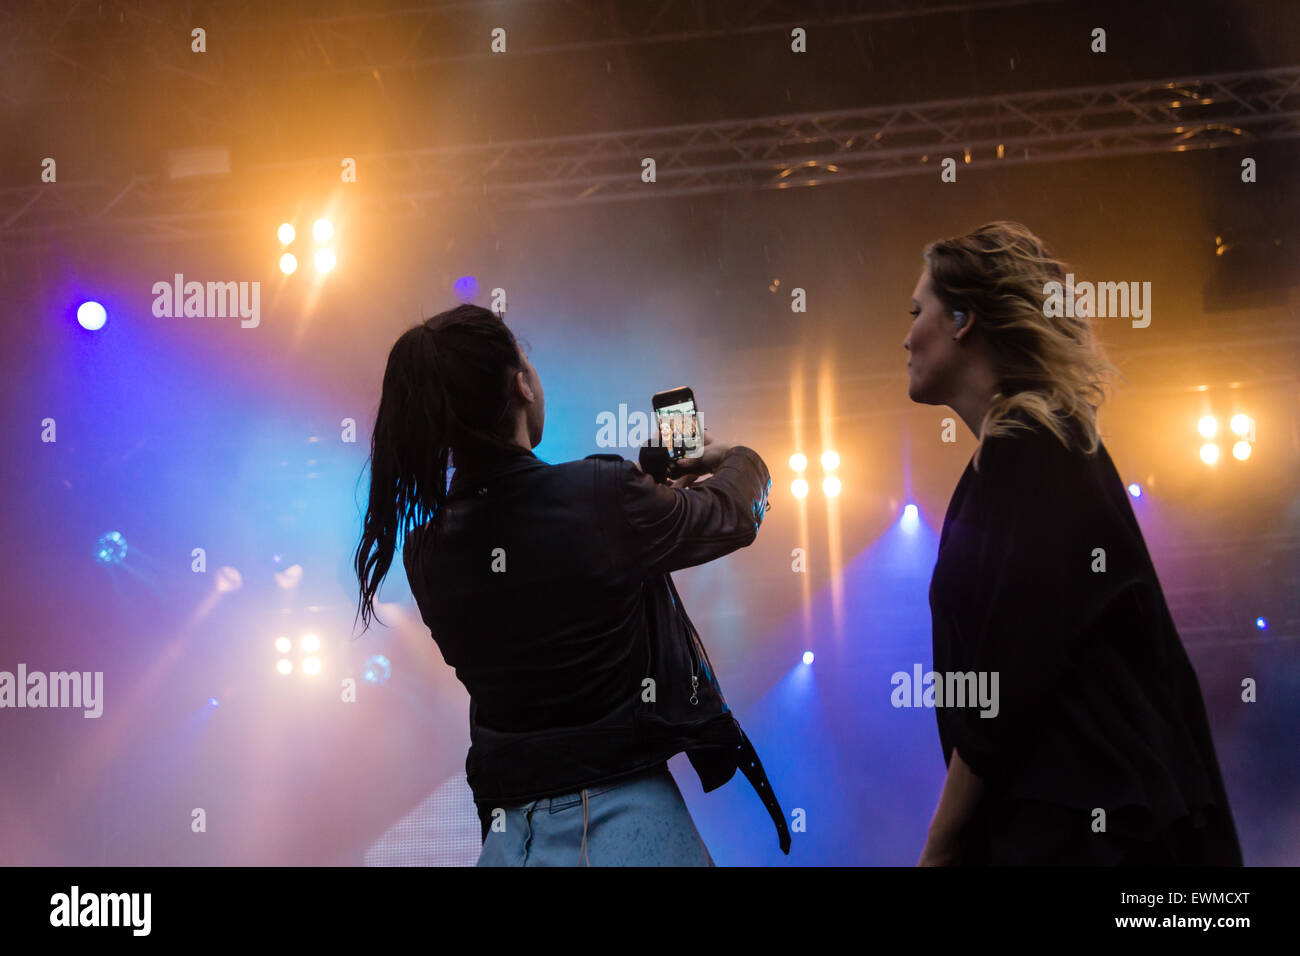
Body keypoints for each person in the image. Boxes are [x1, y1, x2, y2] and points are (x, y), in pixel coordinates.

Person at [353, 304, 789, 866]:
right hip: (628, 823)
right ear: (522, 386)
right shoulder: (601, 494)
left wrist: (643, 487)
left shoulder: (424, 553)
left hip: (513, 840)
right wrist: (740, 458)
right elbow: (733, 515)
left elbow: (548, 594)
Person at [905, 221, 1242, 866]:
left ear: (964, 319)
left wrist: (940, 846)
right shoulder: (1041, 449)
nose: (905, 334)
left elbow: (1005, 684)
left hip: (1088, 833)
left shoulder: (1031, 449)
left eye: (917, 311)